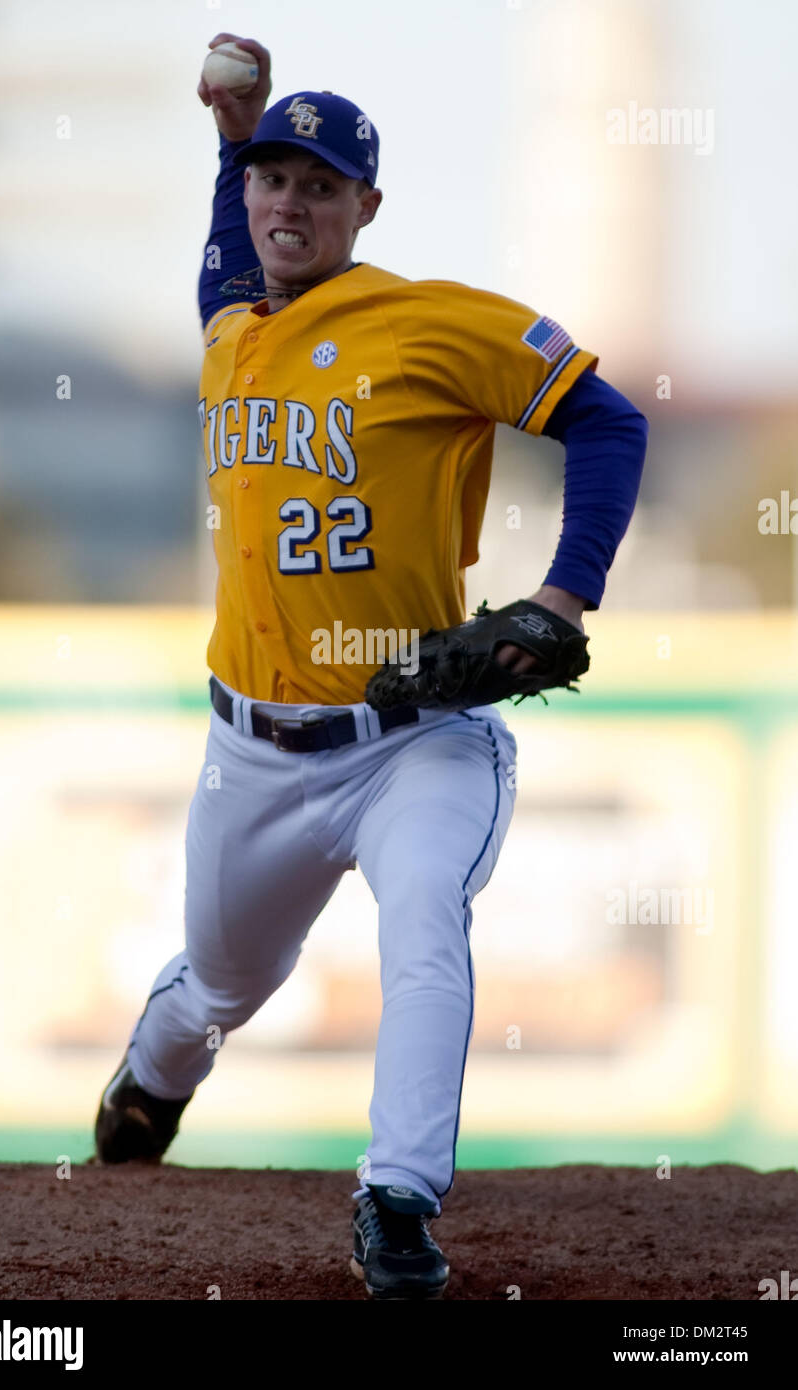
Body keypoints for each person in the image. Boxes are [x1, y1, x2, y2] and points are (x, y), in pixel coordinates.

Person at [94, 34, 648, 1301]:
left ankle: (393, 1201)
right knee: (218, 985)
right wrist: (230, 140)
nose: (290, 203)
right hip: (250, 753)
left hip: (413, 737)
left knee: (422, 932)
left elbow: (606, 418)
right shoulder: (230, 330)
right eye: (274, 181)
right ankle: (151, 1080)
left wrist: (565, 593)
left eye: (320, 185)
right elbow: (232, 264)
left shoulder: (427, 321)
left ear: (366, 207)